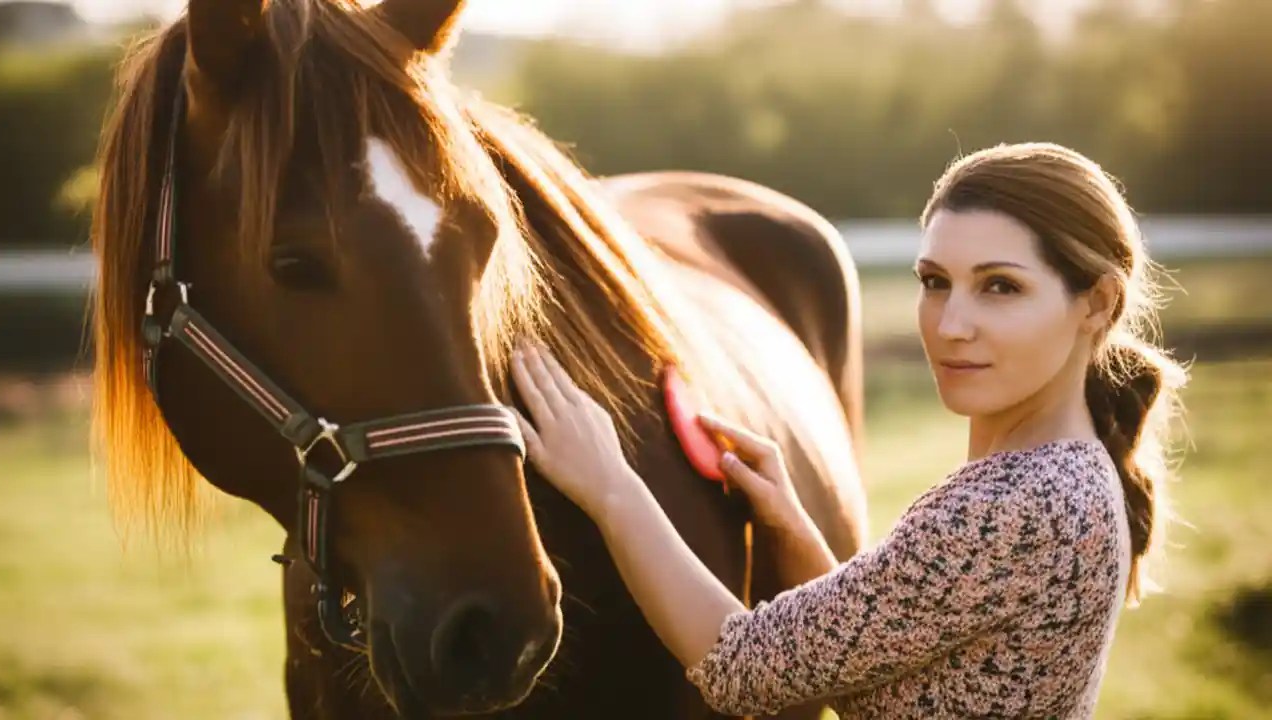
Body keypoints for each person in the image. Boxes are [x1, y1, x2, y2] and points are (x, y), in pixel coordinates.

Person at [507, 142, 1187, 718]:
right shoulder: (1068, 470)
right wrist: (795, 529)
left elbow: (742, 669)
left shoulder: (1013, 506)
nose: (950, 326)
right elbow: (874, 680)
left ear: (1097, 304)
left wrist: (610, 485)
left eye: (1000, 287)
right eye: (934, 281)